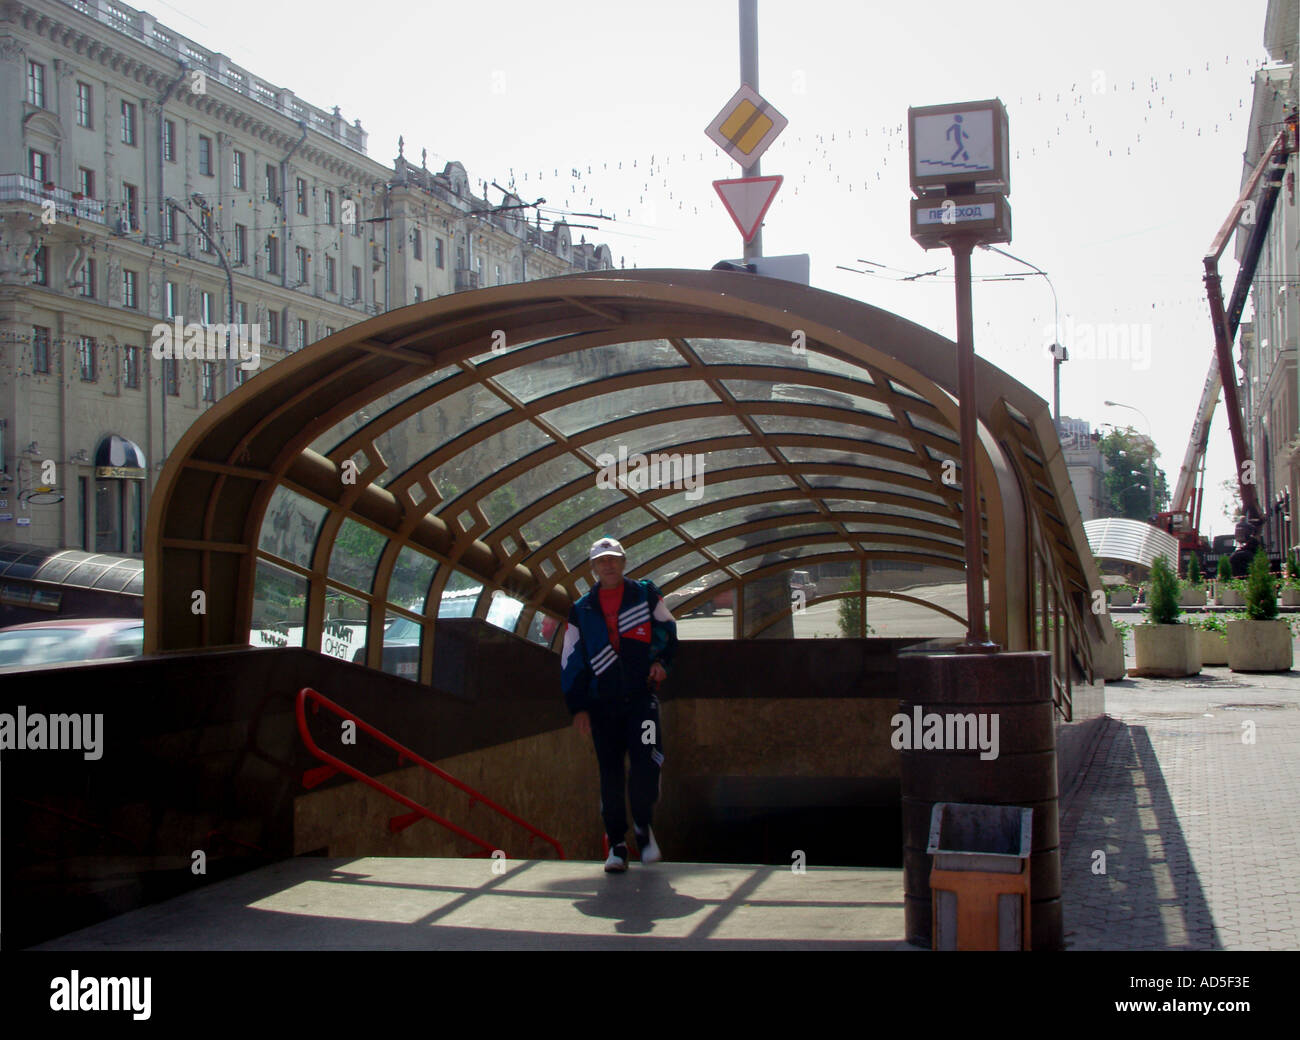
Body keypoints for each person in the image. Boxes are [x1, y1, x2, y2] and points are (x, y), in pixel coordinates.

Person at [560, 537, 677, 872]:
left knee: (646, 764)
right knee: (610, 774)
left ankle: (644, 828)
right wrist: (578, 707)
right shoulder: (581, 609)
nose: (608, 565)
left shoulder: (645, 594)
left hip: (642, 699)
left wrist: (662, 664)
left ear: (623, 562)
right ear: (593, 568)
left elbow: (668, 630)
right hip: (602, 705)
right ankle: (617, 845)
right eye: (601, 561)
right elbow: (572, 660)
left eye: (613, 559)